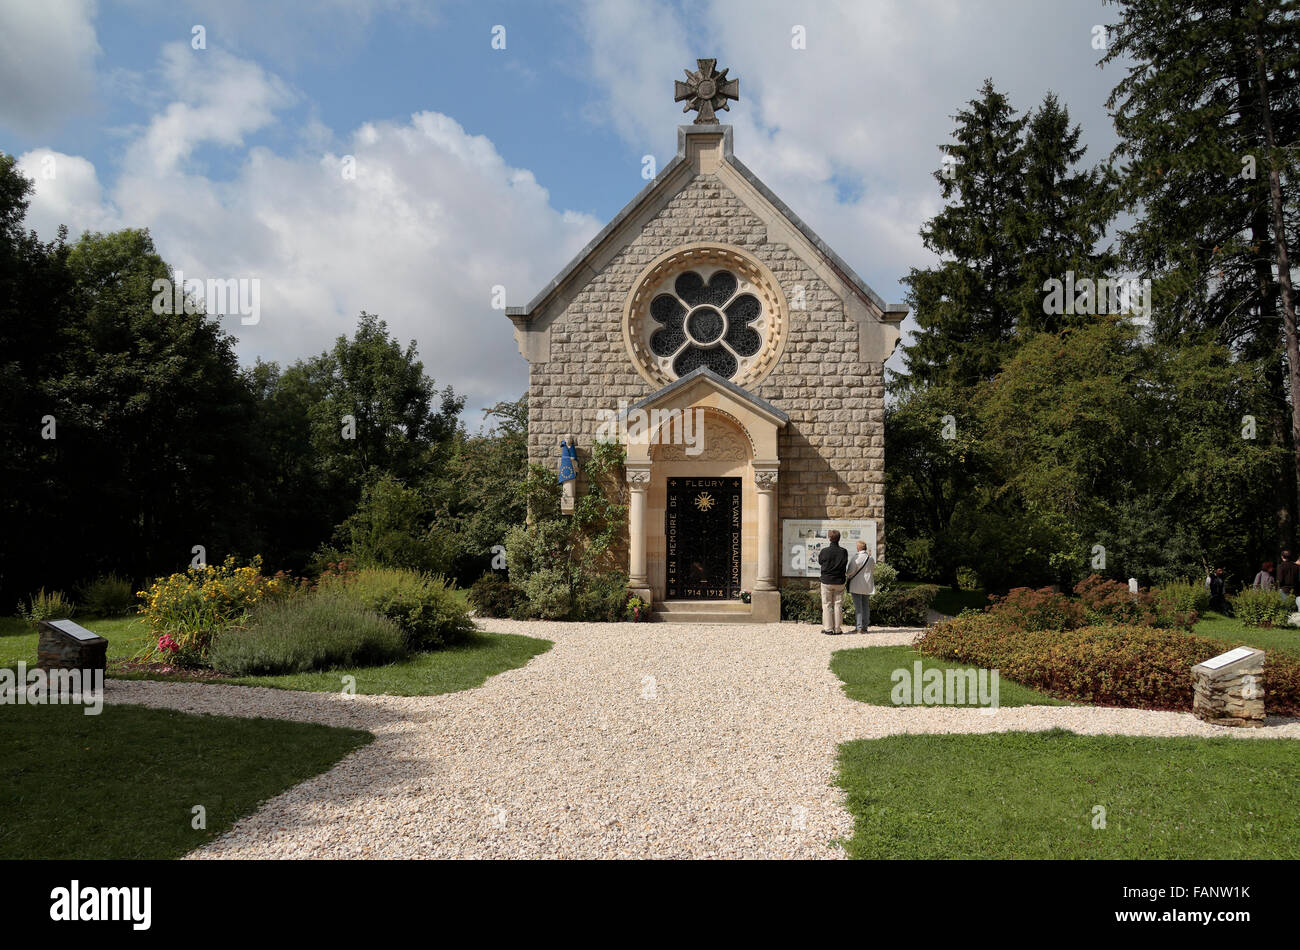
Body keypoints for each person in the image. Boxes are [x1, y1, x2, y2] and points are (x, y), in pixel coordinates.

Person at [817, 530, 848, 635]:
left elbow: (820, 562)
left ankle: (828, 628)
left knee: (827, 605)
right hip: (839, 581)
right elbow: (845, 563)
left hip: (827, 581)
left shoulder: (824, 551)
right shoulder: (844, 551)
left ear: (829, 538)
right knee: (838, 605)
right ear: (839, 538)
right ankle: (837, 628)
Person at [845, 540, 876, 633]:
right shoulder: (870, 558)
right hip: (867, 584)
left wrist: (848, 575)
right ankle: (865, 626)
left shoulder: (856, 557)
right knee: (866, 605)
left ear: (858, 548)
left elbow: (849, 571)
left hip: (856, 584)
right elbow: (872, 569)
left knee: (858, 607)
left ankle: (858, 627)